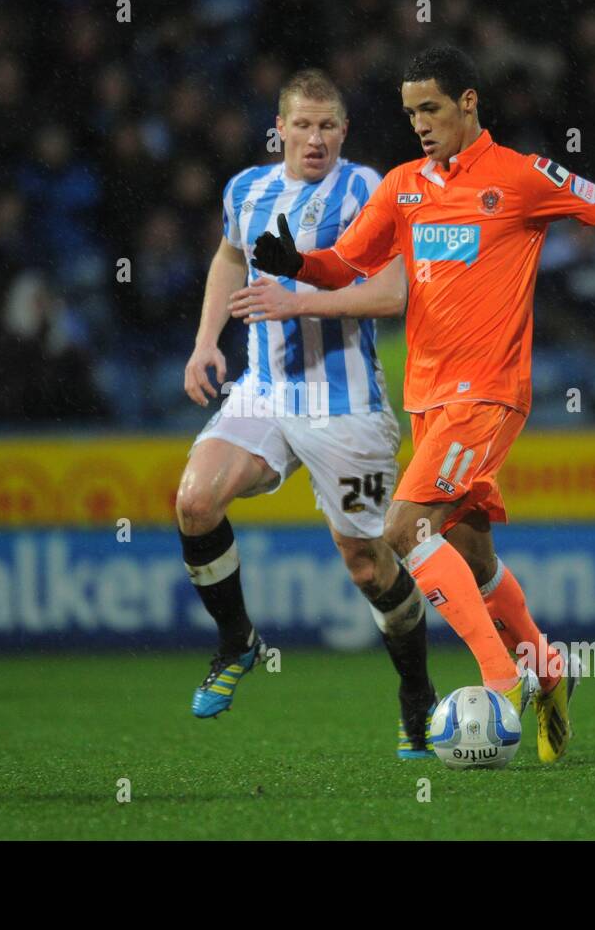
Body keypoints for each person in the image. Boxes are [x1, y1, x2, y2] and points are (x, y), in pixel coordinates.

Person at [242, 46, 595, 762]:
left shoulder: (522, 176)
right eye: (411, 110)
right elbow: (347, 262)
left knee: (405, 526)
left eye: (433, 107)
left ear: (469, 103)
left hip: (489, 393)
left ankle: (500, 680)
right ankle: (548, 666)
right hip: (428, 399)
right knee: (472, 555)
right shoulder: (405, 186)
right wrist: (296, 265)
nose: (420, 123)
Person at [177, 69, 437, 758]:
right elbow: (229, 258)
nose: (315, 138)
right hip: (263, 390)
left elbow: (391, 294)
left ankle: (417, 692)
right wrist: (206, 342)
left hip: (345, 401)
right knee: (195, 502)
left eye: (328, 126)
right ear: (281, 128)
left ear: (344, 132)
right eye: (303, 125)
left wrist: (301, 301)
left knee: (367, 565)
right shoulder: (247, 190)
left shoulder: (371, 191)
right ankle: (237, 640)